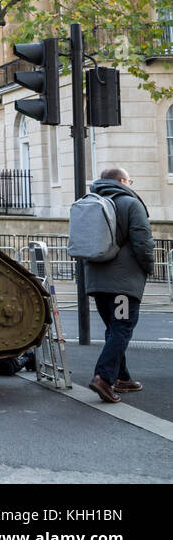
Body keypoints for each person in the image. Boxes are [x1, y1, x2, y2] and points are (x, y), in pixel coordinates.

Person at [86, 167, 154, 403]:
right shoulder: (130, 203)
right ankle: (103, 379)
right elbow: (143, 241)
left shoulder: (90, 201)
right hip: (122, 286)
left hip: (97, 281)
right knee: (122, 327)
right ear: (122, 181)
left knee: (114, 328)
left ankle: (122, 377)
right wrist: (148, 267)